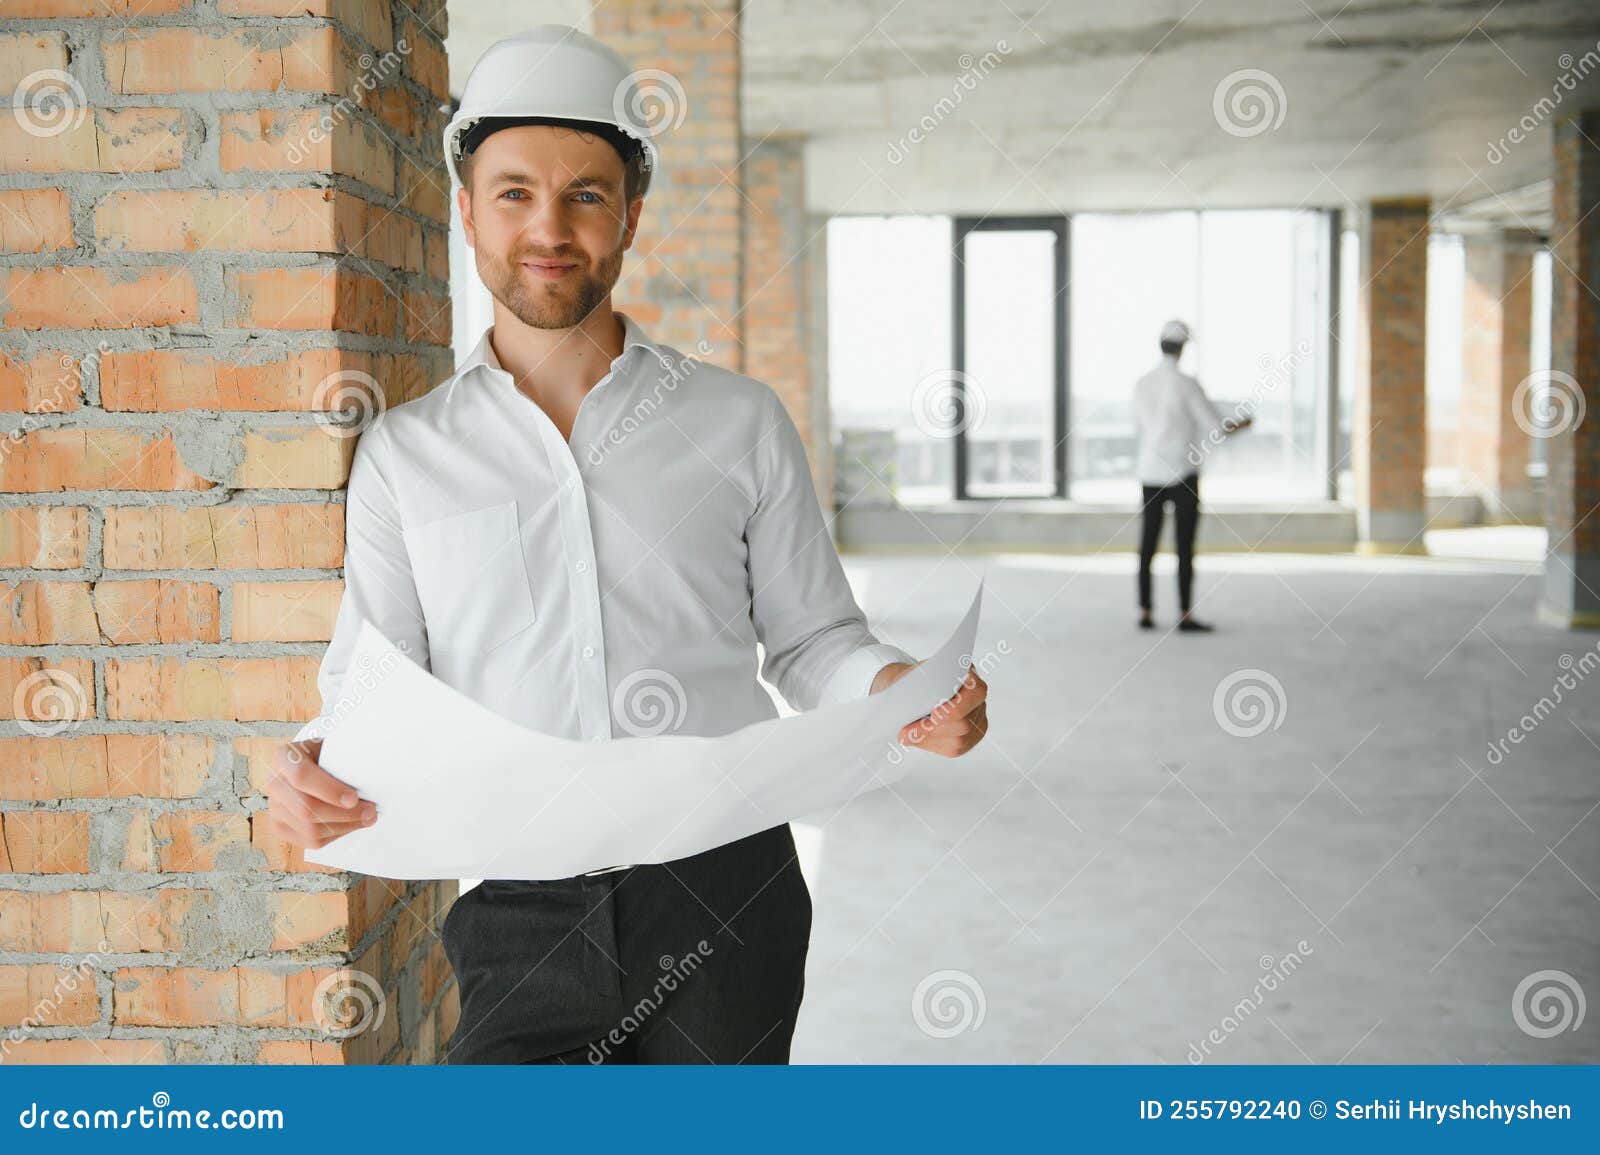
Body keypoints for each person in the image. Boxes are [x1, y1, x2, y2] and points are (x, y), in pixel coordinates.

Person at [263, 26, 989, 1065]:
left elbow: (812, 639)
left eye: (586, 195)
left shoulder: (736, 421)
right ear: (466, 210)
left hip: (726, 886)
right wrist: (316, 760)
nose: (548, 227)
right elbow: (371, 682)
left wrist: (903, 690)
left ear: (631, 216)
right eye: (513, 192)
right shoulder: (406, 456)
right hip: (517, 903)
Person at [1131, 320, 1251, 632]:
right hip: (1183, 472)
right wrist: (1242, 424)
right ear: (1182, 348)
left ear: (1160, 345)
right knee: (1184, 546)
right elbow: (1216, 426)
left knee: (1148, 543)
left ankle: (1145, 611)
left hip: (1149, 471)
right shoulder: (1187, 384)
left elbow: (1141, 427)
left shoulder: (1142, 383)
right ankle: (1184, 614)